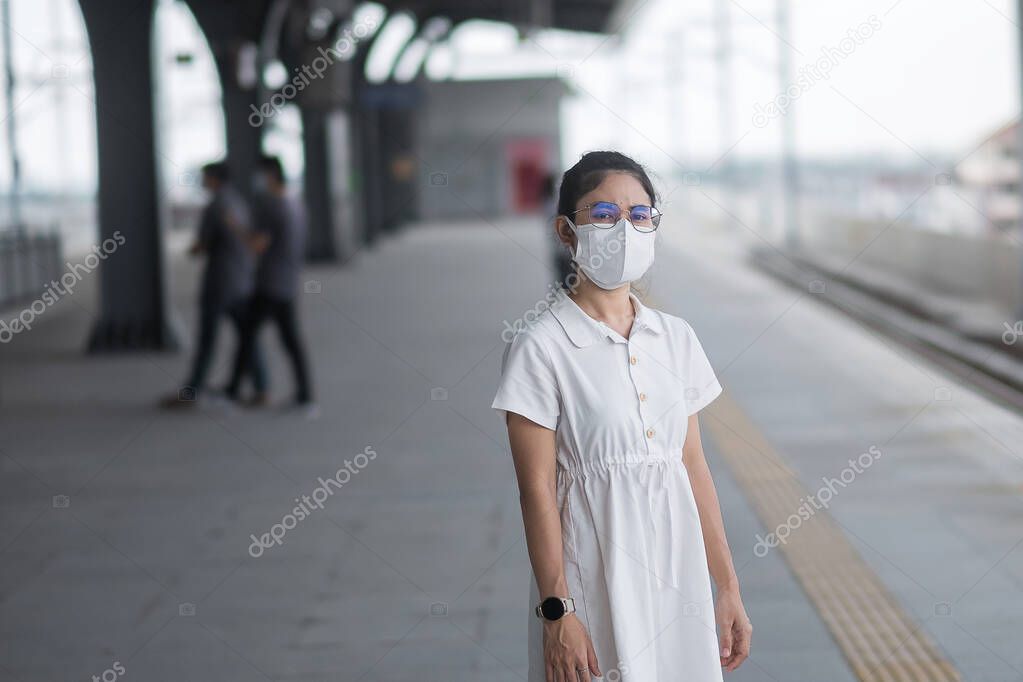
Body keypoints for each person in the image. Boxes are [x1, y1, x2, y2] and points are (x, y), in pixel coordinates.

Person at [491, 151, 751, 681]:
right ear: (567, 231)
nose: (625, 228)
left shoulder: (675, 338)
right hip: (596, 576)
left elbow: (693, 465)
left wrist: (726, 587)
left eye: (639, 215)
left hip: (680, 578)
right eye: (604, 213)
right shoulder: (541, 347)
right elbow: (536, 489)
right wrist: (557, 612)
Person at [160, 161, 267, 408]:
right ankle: (262, 388)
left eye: (204, 177)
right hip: (241, 281)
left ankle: (193, 392)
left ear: (215, 179)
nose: (201, 181)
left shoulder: (215, 206)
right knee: (247, 336)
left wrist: (192, 250)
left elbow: (201, 246)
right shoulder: (239, 203)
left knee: (207, 340)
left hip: (219, 283)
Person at [225, 155, 315, 416]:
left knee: (249, 335)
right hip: (287, 281)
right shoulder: (294, 202)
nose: (258, 181)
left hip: (270, 284)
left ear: (271, 174)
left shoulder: (273, 205)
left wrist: (236, 228)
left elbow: (257, 245)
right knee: (287, 340)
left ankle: (235, 392)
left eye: (260, 174)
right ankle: (304, 396)